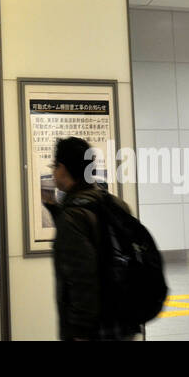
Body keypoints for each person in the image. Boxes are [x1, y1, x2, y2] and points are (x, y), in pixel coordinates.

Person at [46, 136, 137, 341]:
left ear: (62, 168)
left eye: (55, 166)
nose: (53, 172)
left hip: (93, 330)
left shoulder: (72, 217)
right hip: (122, 320)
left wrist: (79, 332)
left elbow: (82, 278)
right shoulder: (114, 204)